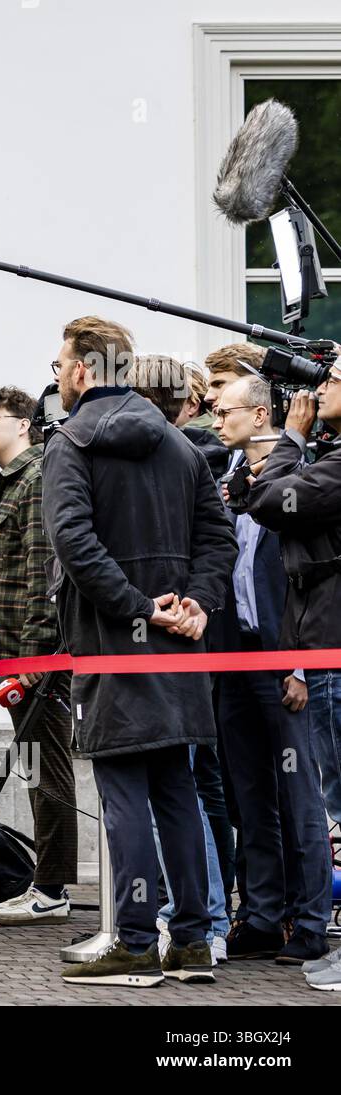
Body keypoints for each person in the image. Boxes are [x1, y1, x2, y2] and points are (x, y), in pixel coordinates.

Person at [43, 317, 237, 988]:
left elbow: (73, 542)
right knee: (176, 788)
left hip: (111, 643)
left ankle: (132, 940)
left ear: (83, 370)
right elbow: (219, 536)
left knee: (124, 792)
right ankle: (189, 941)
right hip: (177, 643)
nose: (58, 375)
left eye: (60, 364)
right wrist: (195, 604)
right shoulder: (181, 448)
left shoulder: (69, 444)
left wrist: (137, 606)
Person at [211, 373, 331, 965]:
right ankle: (262, 915)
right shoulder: (229, 479)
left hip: (288, 660)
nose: (215, 420)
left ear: (261, 417)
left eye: (225, 410)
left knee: (301, 797)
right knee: (250, 793)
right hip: (234, 659)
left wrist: (301, 668)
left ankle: (311, 920)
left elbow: (301, 579)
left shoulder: (303, 474)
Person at [126, 355, 233, 964]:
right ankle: (198, 922)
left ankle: (202, 921)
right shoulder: (189, 458)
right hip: (186, 641)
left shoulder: (190, 458)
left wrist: (189, 603)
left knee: (182, 788)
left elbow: (214, 542)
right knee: (191, 787)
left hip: (181, 646)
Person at [245, 360, 341, 988]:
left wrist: (292, 442)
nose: (320, 387)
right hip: (319, 641)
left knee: (336, 802)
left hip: (332, 649)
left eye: (334, 379)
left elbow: (271, 501)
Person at [0, 385, 77, 923]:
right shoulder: (9, 482)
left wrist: (34, 655)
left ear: (25, 423)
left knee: (47, 768)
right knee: (38, 766)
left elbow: (43, 572)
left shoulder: (34, 480)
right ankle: (48, 885)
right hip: (15, 651)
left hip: (35, 657)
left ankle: (52, 890)